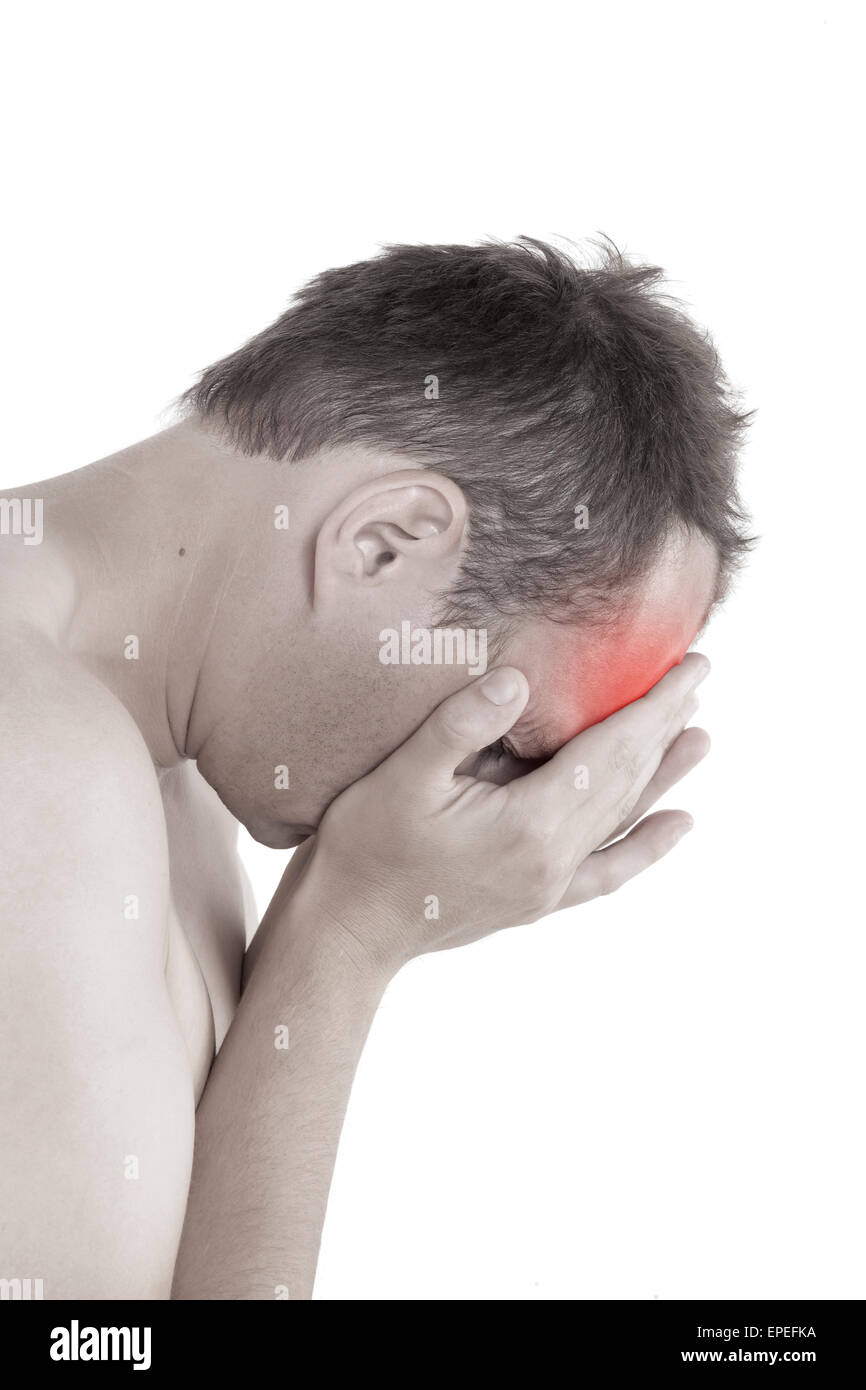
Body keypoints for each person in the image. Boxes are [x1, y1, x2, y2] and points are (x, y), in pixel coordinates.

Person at [0, 236, 752, 1299]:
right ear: (384, 542)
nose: (474, 805)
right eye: (503, 743)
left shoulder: (161, 785)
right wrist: (346, 938)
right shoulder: (37, 775)